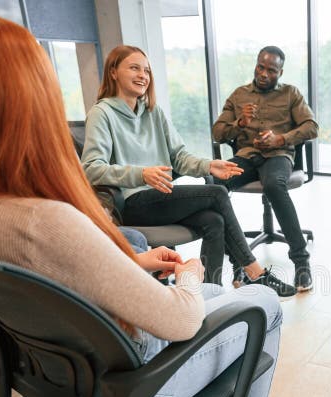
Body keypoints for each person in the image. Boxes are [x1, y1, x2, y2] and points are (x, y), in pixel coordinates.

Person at [0, 10, 281, 397]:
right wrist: (190, 275)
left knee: (217, 285)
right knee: (261, 304)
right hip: (130, 387)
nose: (143, 74)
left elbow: (50, 273)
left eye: (147, 68)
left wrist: (134, 265)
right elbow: (178, 322)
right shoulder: (47, 221)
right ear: (22, 100)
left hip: (55, 373)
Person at [82, 45, 296, 297]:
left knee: (214, 221)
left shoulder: (153, 112)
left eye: (147, 70)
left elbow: (179, 156)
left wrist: (208, 165)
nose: (143, 75)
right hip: (132, 202)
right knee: (217, 193)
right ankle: (254, 272)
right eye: (134, 68)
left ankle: (207, 296)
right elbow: (91, 168)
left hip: (161, 196)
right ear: (114, 72)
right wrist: (141, 174)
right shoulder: (102, 113)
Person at [211, 46, 318, 291]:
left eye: (271, 70)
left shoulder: (291, 94)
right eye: (261, 67)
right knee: (215, 184)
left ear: (280, 72)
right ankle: (239, 260)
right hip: (247, 156)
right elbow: (217, 132)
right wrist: (240, 123)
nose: (264, 73)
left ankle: (301, 262)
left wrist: (280, 139)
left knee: (273, 185)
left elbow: (311, 126)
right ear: (256, 64)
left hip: (278, 155)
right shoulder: (239, 95)